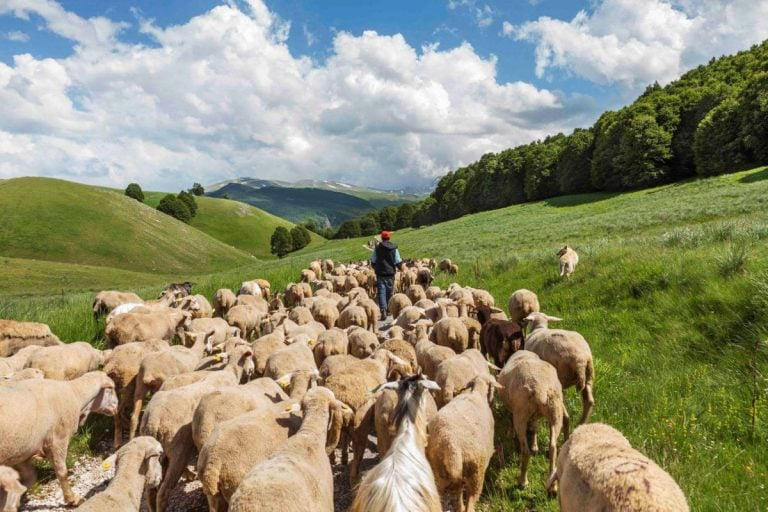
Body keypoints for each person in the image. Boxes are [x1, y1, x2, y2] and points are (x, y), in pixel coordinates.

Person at [370, 230, 402, 319]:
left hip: (380, 273)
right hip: (390, 273)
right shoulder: (394, 248)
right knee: (390, 291)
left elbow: (373, 260)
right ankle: (389, 309)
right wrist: (400, 268)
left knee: (381, 292)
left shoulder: (377, 248)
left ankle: (383, 310)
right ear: (389, 238)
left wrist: (375, 267)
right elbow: (398, 261)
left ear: (382, 238)